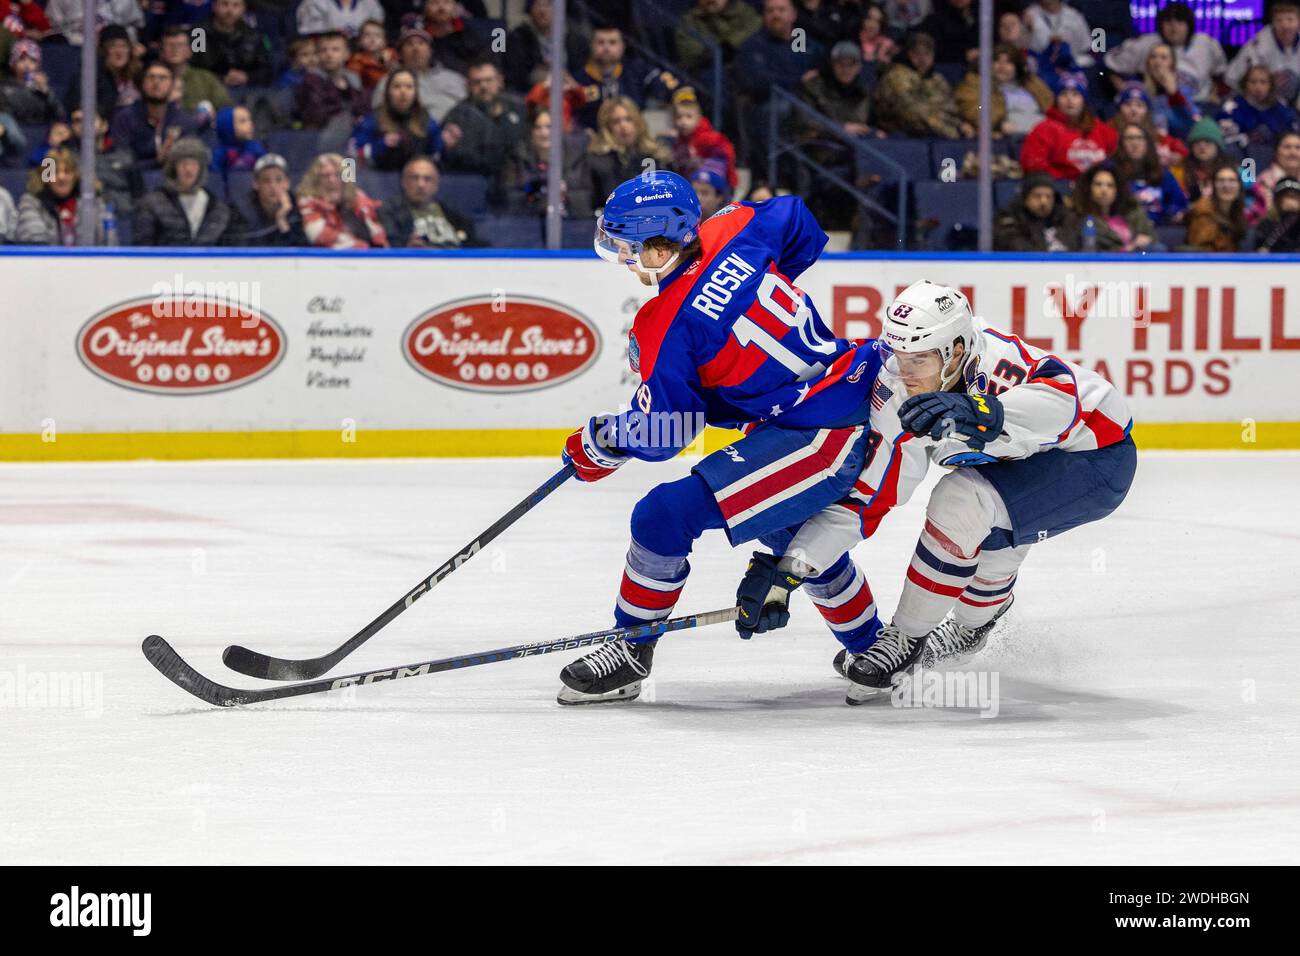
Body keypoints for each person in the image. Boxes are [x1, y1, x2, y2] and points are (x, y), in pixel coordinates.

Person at [555, 170, 883, 705]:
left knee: (662, 514)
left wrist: (603, 442)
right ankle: (874, 647)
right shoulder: (737, 225)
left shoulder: (664, 322)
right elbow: (798, 217)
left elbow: (668, 433)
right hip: (843, 389)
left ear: (663, 245)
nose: (626, 260)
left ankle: (632, 649)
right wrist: (753, 286)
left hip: (820, 430)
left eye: (631, 248)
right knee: (785, 530)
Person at [734, 280, 1135, 702]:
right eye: (899, 357)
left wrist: (980, 411)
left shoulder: (1000, 364)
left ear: (957, 351)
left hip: (1095, 460)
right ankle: (970, 628)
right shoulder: (897, 388)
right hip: (1012, 467)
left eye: (919, 359)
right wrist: (795, 565)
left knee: (962, 498)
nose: (906, 374)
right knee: (991, 538)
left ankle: (905, 641)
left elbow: (1066, 404)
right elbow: (870, 497)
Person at [1103, 1, 1225, 104]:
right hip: (1156, 107)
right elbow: (1110, 67)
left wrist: (1214, 93)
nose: (1174, 27)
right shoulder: (1145, 43)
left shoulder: (1205, 43)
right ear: (1160, 26)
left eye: (1180, 22)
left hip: (1200, 105)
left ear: (1190, 26)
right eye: (1168, 22)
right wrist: (1125, 91)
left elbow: (1219, 74)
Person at [132, 136, 240, 246]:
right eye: (183, 163)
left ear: (201, 168)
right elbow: (143, 248)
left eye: (193, 164)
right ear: (173, 167)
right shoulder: (152, 205)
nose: (188, 169)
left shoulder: (219, 208)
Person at [440, 59, 526, 181]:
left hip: (517, 178)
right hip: (475, 181)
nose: (483, 86)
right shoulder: (457, 116)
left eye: (489, 80)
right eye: (477, 82)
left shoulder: (519, 109)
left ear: (500, 81)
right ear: (468, 86)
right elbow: (457, 157)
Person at [873, 31, 971, 139]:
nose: (922, 59)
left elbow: (951, 108)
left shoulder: (937, 79)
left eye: (927, 54)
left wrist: (959, 124)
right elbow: (912, 112)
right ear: (909, 54)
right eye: (917, 53)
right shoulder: (896, 76)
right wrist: (950, 129)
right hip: (903, 136)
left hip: (938, 134)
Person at [1020, 73, 1117, 180]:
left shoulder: (1103, 131)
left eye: (1075, 94)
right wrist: (1061, 181)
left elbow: (1117, 163)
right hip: (1059, 188)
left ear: (1084, 100)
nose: (1069, 100)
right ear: (1056, 100)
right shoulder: (1044, 129)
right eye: (1064, 94)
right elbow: (1033, 164)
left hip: (1098, 188)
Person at [108, 62, 202, 168]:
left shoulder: (184, 120)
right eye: (151, 77)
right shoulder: (124, 118)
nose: (156, 82)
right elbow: (119, 162)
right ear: (142, 83)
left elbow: (191, 162)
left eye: (163, 78)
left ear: (172, 84)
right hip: (135, 180)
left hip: (173, 180)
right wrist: (156, 161)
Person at [503, 107, 591, 217]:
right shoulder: (517, 157)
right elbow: (511, 197)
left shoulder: (575, 156)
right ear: (531, 131)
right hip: (528, 224)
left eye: (549, 127)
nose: (544, 133)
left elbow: (587, 196)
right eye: (537, 127)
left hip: (570, 223)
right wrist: (535, 194)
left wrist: (565, 194)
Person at [372, 24, 466, 124]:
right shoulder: (389, 81)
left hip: (458, 128)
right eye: (409, 44)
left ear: (430, 51)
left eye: (421, 43)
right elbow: (379, 112)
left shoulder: (453, 78)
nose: (416, 48)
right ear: (400, 54)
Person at [955, 43, 1052, 138]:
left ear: (1017, 67)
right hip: (1009, 137)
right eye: (997, 61)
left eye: (1008, 62)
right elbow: (976, 110)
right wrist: (999, 123)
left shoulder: (1031, 84)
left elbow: (1050, 105)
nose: (1002, 66)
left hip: (1045, 132)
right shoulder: (974, 84)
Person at [353, 68, 442, 170]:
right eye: (397, 86)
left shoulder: (426, 120)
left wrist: (446, 146)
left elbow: (437, 159)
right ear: (388, 92)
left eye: (409, 87)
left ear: (415, 93)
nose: (403, 92)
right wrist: (380, 145)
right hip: (377, 182)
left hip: (416, 182)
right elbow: (349, 159)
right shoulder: (372, 120)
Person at [378, 155, 476, 247]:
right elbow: (392, 247)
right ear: (404, 182)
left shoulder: (454, 215)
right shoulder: (390, 212)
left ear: (437, 184)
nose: (421, 185)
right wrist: (407, 248)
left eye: (427, 179)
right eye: (414, 178)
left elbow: (473, 244)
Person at [14, 146, 106, 244]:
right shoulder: (31, 202)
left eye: (67, 171)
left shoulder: (92, 202)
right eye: (54, 172)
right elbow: (34, 239)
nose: (61, 177)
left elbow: (105, 238)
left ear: (75, 175)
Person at [586, 97, 670, 203]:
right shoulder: (596, 162)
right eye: (616, 121)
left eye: (629, 119)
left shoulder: (655, 158)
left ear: (638, 123)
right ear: (607, 127)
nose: (623, 126)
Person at [298, 151, 388, 248]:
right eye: (325, 176)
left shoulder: (358, 198)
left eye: (337, 175)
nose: (332, 180)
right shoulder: (307, 203)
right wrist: (360, 246)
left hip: (367, 258)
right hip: (326, 260)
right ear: (315, 180)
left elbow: (377, 232)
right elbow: (318, 235)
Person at [1070, 162, 1157, 252]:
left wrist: (1146, 241)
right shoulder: (1079, 218)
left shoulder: (1133, 212)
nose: (1104, 190)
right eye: (1098, 184)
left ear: (1117, 190)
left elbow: (1152, 239)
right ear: (1088, 188)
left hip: (1137, 263)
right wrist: (1128, 249)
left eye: (1110, 185)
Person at [1225, 1, 1300, 104]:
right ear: (1273, 23)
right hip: (1255, 99)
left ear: (1298, 22)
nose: (1285, 25)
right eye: (1279, 20)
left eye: (1290, 20)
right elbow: (1243, 80)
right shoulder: (1260, 43)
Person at [1111, 122, 1187, 224]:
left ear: (1147, 143)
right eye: (1129, 138)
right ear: (1121, 143)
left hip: (1159, 230)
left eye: (1139, 138)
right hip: (1121, 229)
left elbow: (1179, 204)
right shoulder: (1111, 172)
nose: (1135, 143)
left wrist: (1172, 213)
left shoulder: (1163, 173)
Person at [190, 0, 274, 89]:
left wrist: (247, 77)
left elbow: (267, 70)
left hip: (246, 91)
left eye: (236, 5)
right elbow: (193, 68)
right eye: (224, 4)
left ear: (243, 9)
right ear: (214, 7)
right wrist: (220, 78)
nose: (230, 10)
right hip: (207, 90)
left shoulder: (254, 36)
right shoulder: (199, 34)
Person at [666, 86, 738, 189]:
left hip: (719, 186)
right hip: (694, 185)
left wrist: (701, 164)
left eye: (689, 116)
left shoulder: (709, 138)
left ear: (699, 118)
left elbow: (725, 158)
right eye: (679, 117)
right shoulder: (679, 141)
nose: (683, 122)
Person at [231, 152, 308, 246]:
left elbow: (302, 254)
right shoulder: (241, 212)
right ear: (255, 184)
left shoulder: (298, 210)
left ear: (287, 183)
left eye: (278, 180)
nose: (273, 187)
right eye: (266, 181)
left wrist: (282, 221)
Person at [1216, 64, 1299, 151]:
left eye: (1263, 82)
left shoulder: (1280, 108)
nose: (1258, 87)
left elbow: (1292, 133)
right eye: (1253, 82)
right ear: (1245, 84)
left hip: (1275, 156)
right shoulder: (1232, 107)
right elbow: (1226, 139)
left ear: (1271, 85)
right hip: (1241, 155)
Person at [158, 24, 232, 119]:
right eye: (170, 45)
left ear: (189, 51)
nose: (174, 49)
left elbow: (226, 108)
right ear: (162, 52)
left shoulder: (205, 78)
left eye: (179, 45)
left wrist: (216, 116)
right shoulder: (153, 78)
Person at [297, 31, 368, 130]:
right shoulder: (311, 81)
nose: (329, 54)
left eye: (335, 49)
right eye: (323, 50)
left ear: (347, 54)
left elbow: (363, 109)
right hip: (322, 137)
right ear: (317, 54)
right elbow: (318, 116)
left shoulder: (353, 79)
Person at [676, 0, 762, 76]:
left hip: (744, 73)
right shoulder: (688, 22)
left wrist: (729, 44)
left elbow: (756, 26)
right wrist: (719, 52)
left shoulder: (744, 11)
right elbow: (694, 56)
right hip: (706, 78)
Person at [993, 171, 1074, 251]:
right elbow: (1015, 248)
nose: (1044, 202)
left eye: (1048, 197)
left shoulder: (1064, 219)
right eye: (1037, 196)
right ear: (1025, 198)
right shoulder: (1010, 220)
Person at [1183, 160, 1247, 252]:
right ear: (1213, 185)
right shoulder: (1203, 212)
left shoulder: (1237, 211)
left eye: (1232, 180)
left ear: (1239, 186)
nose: (1226, 185)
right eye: (1221, 180)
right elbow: (1202, 251)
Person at [1, 38, 63, 125]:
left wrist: (47, 92)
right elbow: (7, 120)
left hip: (41, 134)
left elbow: (60, 116)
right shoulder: (3, 88)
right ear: (13, 64)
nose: (27, 65)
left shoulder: (43, 89)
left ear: (38, 64)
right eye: (21, 60)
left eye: (32, 60)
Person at [1024, 0, 1094, 68]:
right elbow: (1021, 48)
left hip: (1071, 64)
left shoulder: (1074, 15)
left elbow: (1086, 46)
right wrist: (1028, 30)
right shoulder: (1029, 15)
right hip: (1040, 65)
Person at [1174, 116, 1226, 203]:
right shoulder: (1179, 170)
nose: (1202, 147)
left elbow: (1249, 184)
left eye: (1208, 141)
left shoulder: (1232, 169)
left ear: (1218, 146)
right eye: (1197, 142)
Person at [211, 104, 267, 173]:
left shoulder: (257, 149)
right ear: (227, 126)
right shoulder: (219, 153)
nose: (250, 124)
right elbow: (215, 178)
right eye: (243, 121)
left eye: (250, 120)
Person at [346, 18, 395, 93]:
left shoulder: (392, 55)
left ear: (384, 41)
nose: (372, 39)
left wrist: (388, 65)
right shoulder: (355, 62)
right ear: (359, 41)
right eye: (367, 35)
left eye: (377, 35)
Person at [1255, 175, 1300, 252]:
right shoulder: (1265, 226)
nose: (1291, 201)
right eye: (1288, 196)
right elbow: (1262, 251)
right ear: (1277, 200)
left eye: (1295, 197)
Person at [297, 0, 384, 38]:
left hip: (363, 59)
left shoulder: (370, 3)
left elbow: (378, 36)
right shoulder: (314, 2)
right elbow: (311, 37)